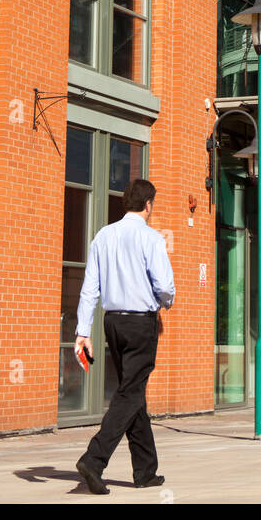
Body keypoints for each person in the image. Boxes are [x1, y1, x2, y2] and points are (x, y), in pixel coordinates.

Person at [74, 178, 175, 495]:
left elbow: (90, 288)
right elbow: (165, 287)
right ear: (149, 205)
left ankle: (145, 471)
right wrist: (166, 302)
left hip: (112, 322)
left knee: (133, 391)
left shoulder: (103, 236)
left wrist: (82, 331)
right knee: (131, 393)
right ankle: (94, 459)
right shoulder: (152, 238)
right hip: (141, 324)